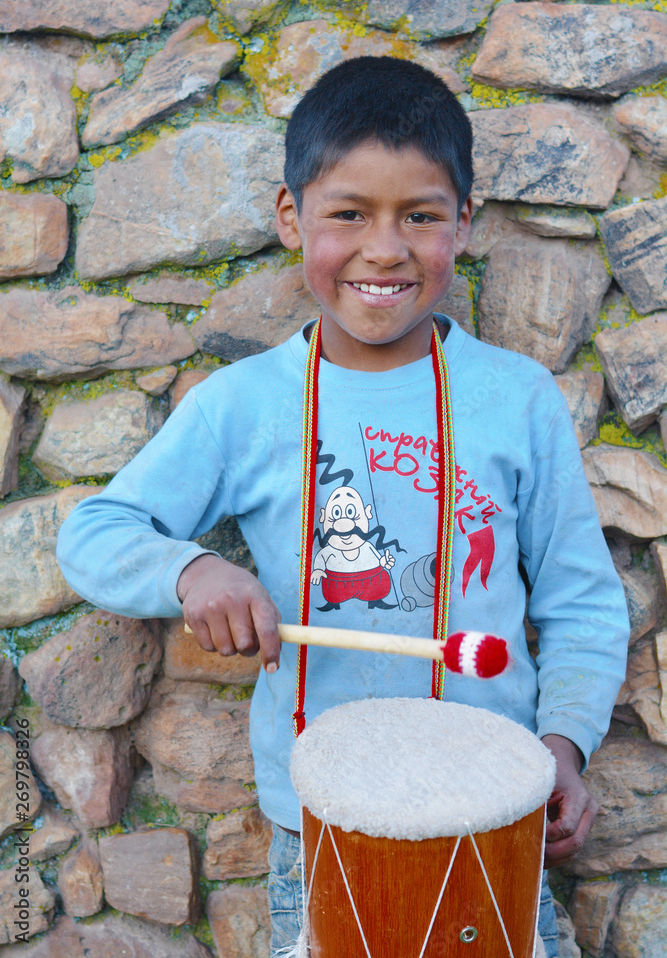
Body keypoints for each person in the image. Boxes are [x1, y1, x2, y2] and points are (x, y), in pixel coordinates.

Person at [57, 56, 629, 958]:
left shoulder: (516, 399)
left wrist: (561, 746)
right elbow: (91, 534)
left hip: (499, 808)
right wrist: (191, 567)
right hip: (319, 823)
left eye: (421, 216)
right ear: (292, 218)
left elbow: (582, 601)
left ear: (463, 224)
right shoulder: (240, 405)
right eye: (348, 214)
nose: (385, 248)